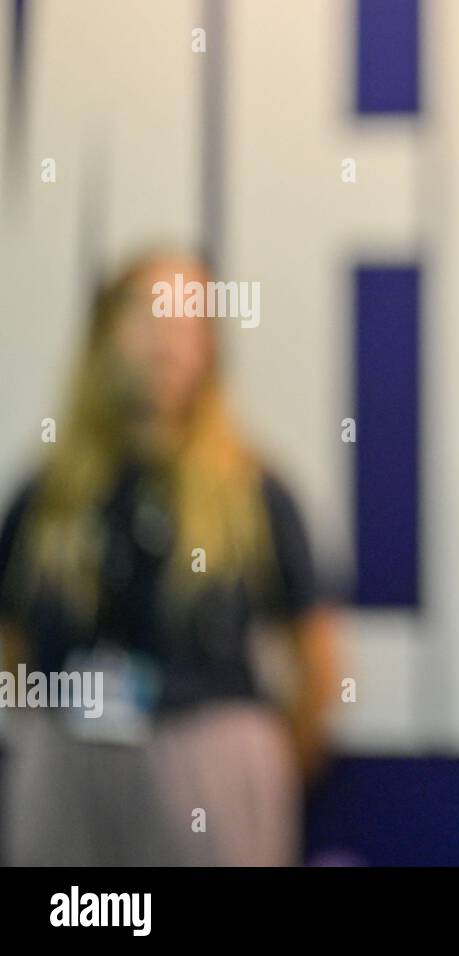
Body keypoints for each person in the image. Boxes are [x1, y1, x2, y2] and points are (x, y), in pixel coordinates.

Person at [0, 249, 339, 865]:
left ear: (209, 346)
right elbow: (10, 640)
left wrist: (257, 765)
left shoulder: (254, 491)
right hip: (66, 758)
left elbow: (316, 656)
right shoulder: (46, 494)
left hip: (208, 751)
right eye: (146, 314)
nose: (165, 339)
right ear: (104, 335)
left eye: (186, 320)